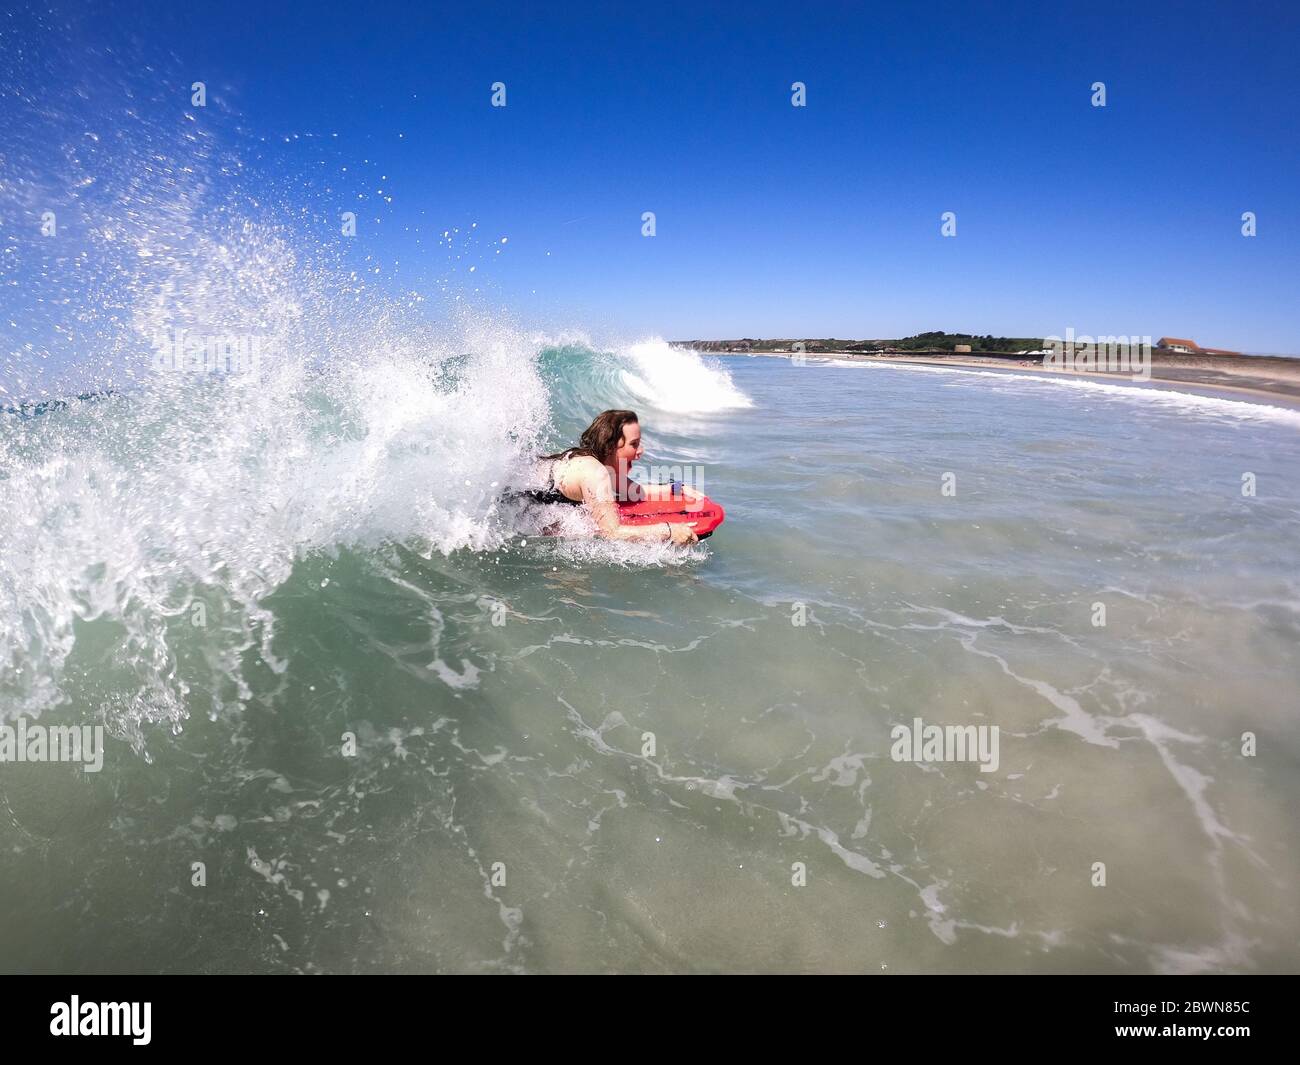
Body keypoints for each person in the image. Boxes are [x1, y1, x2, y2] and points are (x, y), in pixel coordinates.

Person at [527, 409, 699, 544]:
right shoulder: (596, 473)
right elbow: (612, 532)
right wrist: (669, 531)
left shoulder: (598, 463)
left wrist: (677, 488)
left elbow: (635, 491)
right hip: (515, 503)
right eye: (634, 444)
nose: (641, 451)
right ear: (610, 447)